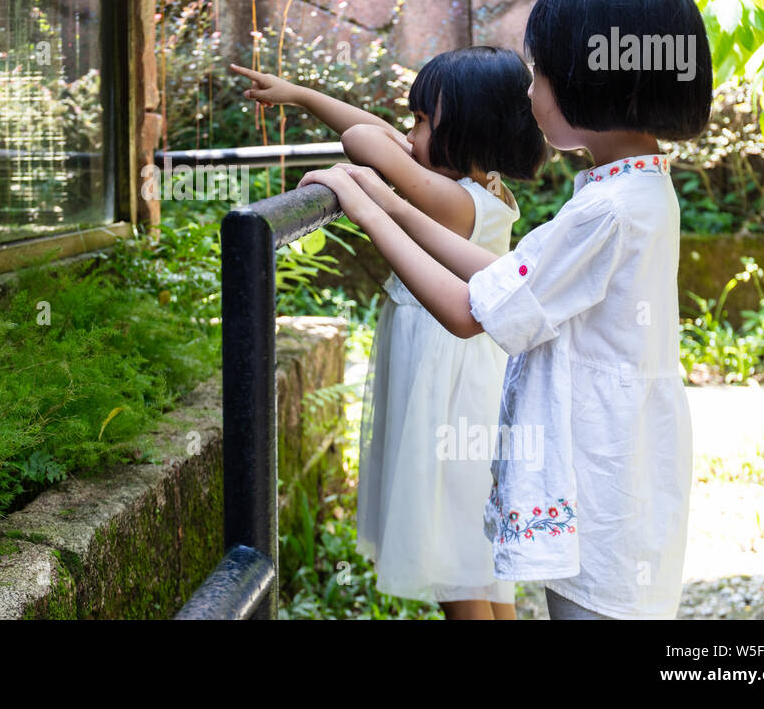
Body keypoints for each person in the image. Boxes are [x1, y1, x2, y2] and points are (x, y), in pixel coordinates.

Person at [299, 0, 713, 619]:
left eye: (540, 74)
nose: (530, 94)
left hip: (599, 496)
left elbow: (470, 312)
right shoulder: (630, 188)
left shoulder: (608, 210)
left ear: (594, 81)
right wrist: (386, 202)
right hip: (606, 478)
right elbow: (505, 277)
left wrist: (371, 209)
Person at [232, 47, 546, 619]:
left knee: (455, 548)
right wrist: (301, 95)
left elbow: (364, 142)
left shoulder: (454, 203)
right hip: (459, 376)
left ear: (466, 131)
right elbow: (381, 137)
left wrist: (386, 140)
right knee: (476, 558)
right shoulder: (480, 188)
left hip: (449, 390)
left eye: (422, 120)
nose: (407, 132)